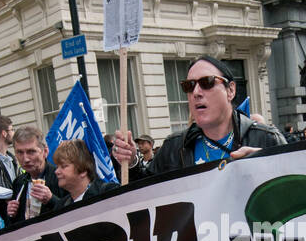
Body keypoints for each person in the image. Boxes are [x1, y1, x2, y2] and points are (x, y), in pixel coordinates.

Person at [110, 56, 285, 177]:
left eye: (207, 82)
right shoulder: (174, 147)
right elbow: (144, 195)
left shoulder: (267, 139)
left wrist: (268, 167)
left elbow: (299, 197)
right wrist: (131, 162)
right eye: (189, 86)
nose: (196, 92)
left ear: (230, 90)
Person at [6, 126, 65, 226]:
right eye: (19, 152)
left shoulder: (61, 177)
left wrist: (51, 200)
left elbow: (74, 213)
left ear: (45, 152)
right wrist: (11, 214)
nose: (25, 159)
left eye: (31, 152)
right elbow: (14, 226)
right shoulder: (19, 183)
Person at [46, 139, 111, 212]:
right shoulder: (60, 206)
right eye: (57, 166)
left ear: (83, 170)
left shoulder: (108, 193)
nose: (56, 171)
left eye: (63, 166)